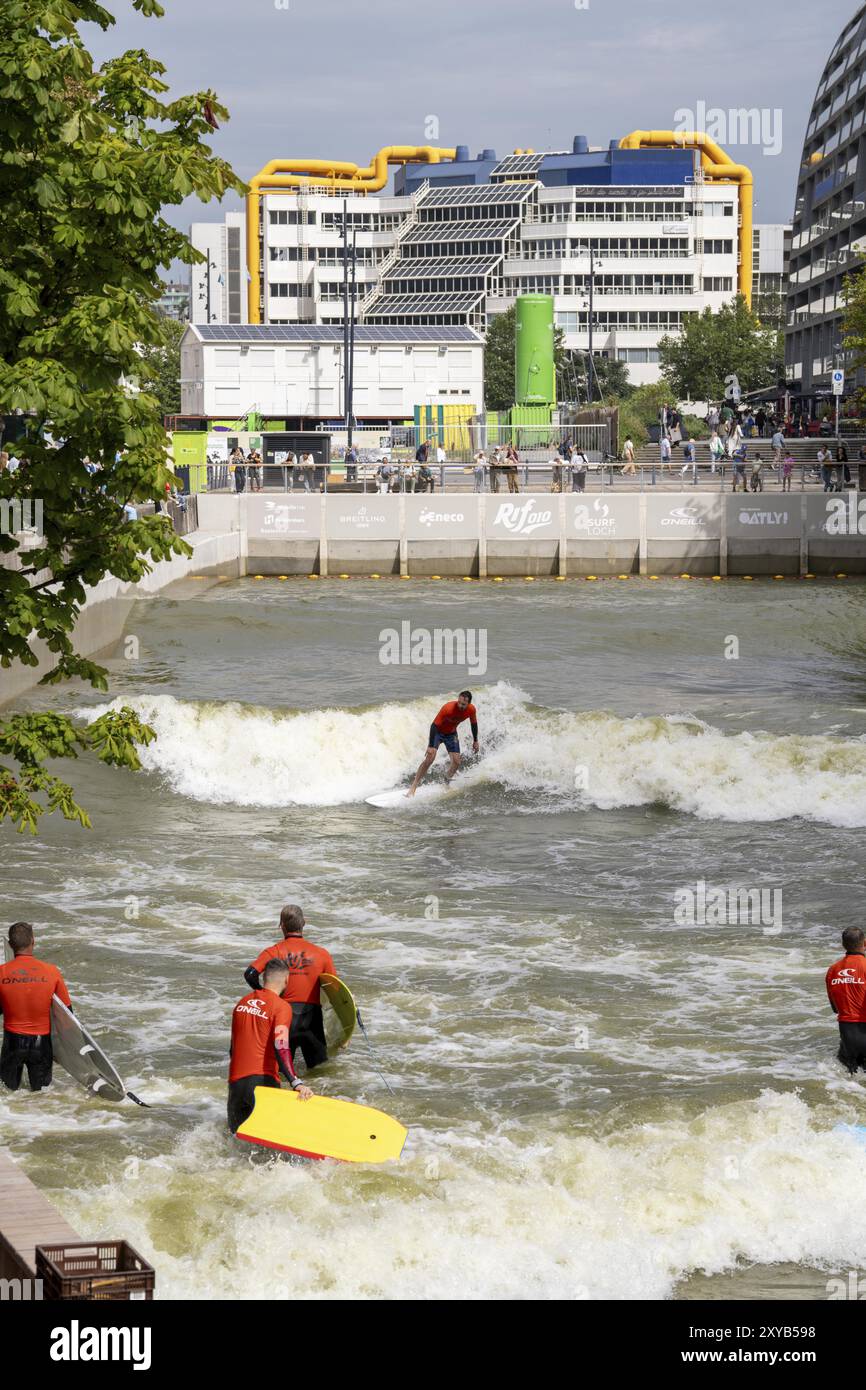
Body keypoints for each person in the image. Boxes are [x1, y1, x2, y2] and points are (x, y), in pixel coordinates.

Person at [244, 905, 336, 1071]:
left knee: (281, 1074)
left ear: (282, 926)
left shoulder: (273, 952)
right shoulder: (322, 954)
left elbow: (250, 974)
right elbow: (335, 991)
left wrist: (265, 997)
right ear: (304, 923)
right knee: (320, 1073)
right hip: (312, 1022)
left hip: (283, 1018)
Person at [227, 957, 313, 1134]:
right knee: (272, 1147)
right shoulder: (281, 1007)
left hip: (236, 1085)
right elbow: (281, 1046)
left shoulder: (242, 1003)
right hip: (262, 1084)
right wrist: (295, 1082)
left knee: (236, 1142)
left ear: (264, 977)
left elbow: (232, 1049)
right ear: (287, 980)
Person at [0, 922, 72, 1093]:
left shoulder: (1, 972)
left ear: (10, 945)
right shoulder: (52, 972)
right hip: (42, 1045)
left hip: (12, 1044)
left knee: (7, 1094)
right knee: (41, 1097)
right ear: (33, 941)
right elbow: (67, 1016)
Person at [408, 691, 479, 797]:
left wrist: (475, 740)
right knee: (430, 758)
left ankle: (445, 782)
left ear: (468, 704)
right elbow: (434, 726)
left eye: (463, 704)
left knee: (456, 762)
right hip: (438, 733)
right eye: (459, 702)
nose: (460, 705)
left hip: (451, 734)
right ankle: (413, 787)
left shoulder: (471, 710)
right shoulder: (448, 708)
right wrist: (431, 746)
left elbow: (474, 724)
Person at [825, 928, 866, 1075]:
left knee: (850, 1084)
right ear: (864, 943)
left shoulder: (832, 970)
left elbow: (835, 1008)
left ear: (843, 945)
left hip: (847, 1035)